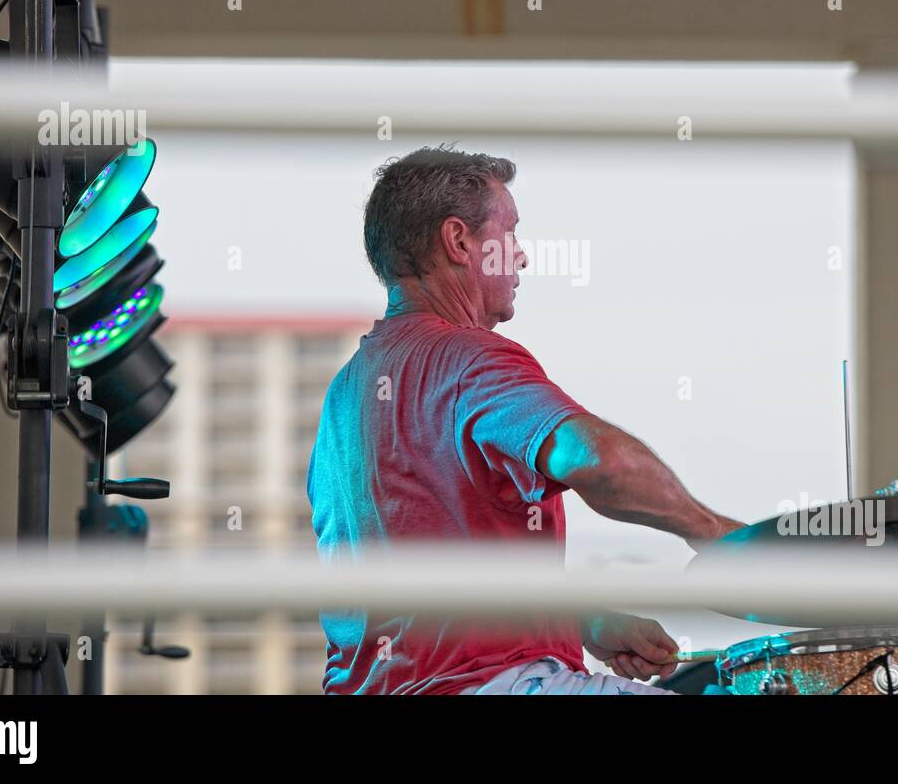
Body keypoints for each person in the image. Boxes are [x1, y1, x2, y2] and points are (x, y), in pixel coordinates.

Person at [306, 145, 743, 694]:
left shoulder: (343, 398)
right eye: (509, 234)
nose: (522, 258)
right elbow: (597, 458)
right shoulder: (468, 359)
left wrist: (584, 624)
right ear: (460, 241)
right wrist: (715, 533)